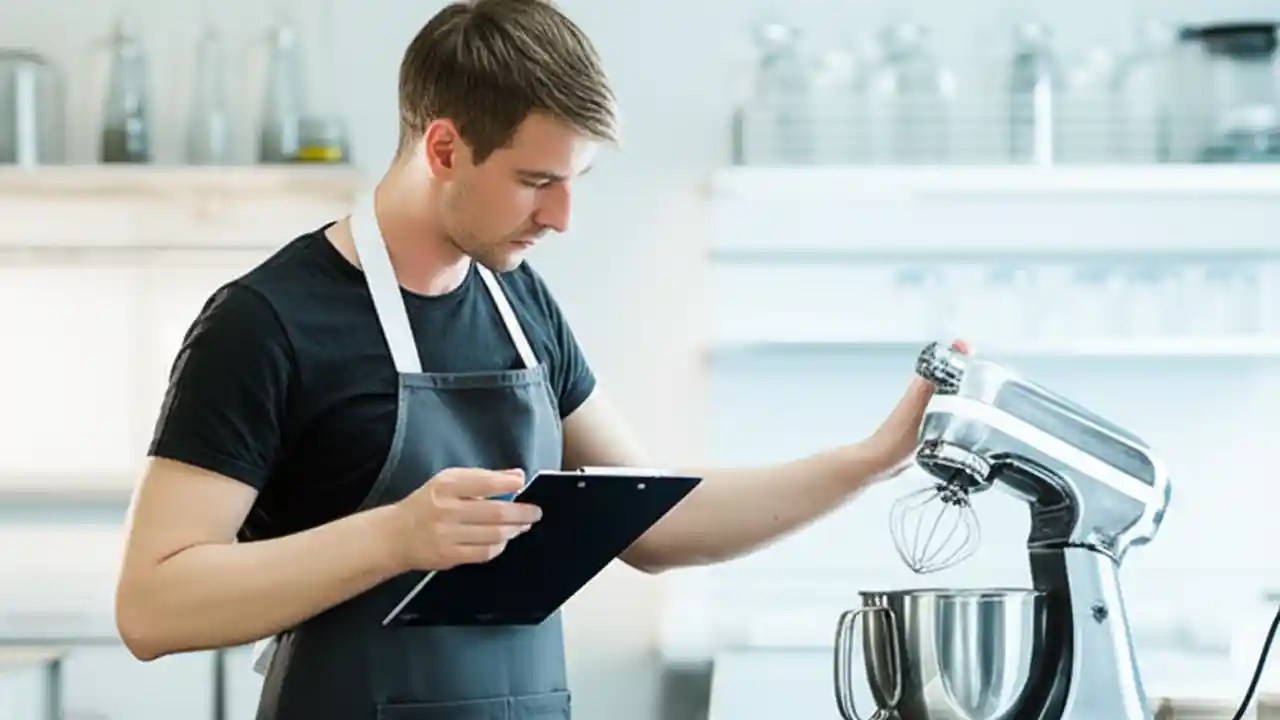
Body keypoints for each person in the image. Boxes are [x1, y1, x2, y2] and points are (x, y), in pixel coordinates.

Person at [113, 1, 948, 718]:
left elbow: (656, 523)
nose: (561, 217)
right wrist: (397, 536)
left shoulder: (522, 307)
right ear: (444, 149)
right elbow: (152, 607)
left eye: (576, 180)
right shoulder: (265, 323)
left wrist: (870, 461)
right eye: (536, 180)